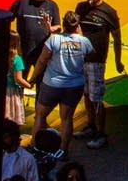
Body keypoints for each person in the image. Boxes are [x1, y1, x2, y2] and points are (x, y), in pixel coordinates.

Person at [72, 0, 122, 149]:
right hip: (81, 59)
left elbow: (117, 38)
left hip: (97, 61)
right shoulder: (81, 7)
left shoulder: (109, 12)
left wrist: (117, 61)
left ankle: (101, 134)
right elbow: (74, 28)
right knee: (86, 94)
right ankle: (90, 125)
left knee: (97, 97)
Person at [30, 12, 92, 150]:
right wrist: (79, 36)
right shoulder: (85, 41)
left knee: (40, 115)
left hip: (52, 84)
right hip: (74, 85)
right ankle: (63, 151)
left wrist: (33, 78)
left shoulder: (54, 40)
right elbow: (89, 56)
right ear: (78, 26)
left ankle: (34, 148)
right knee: (67, 118)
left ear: (63, 24)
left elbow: (41, 61)